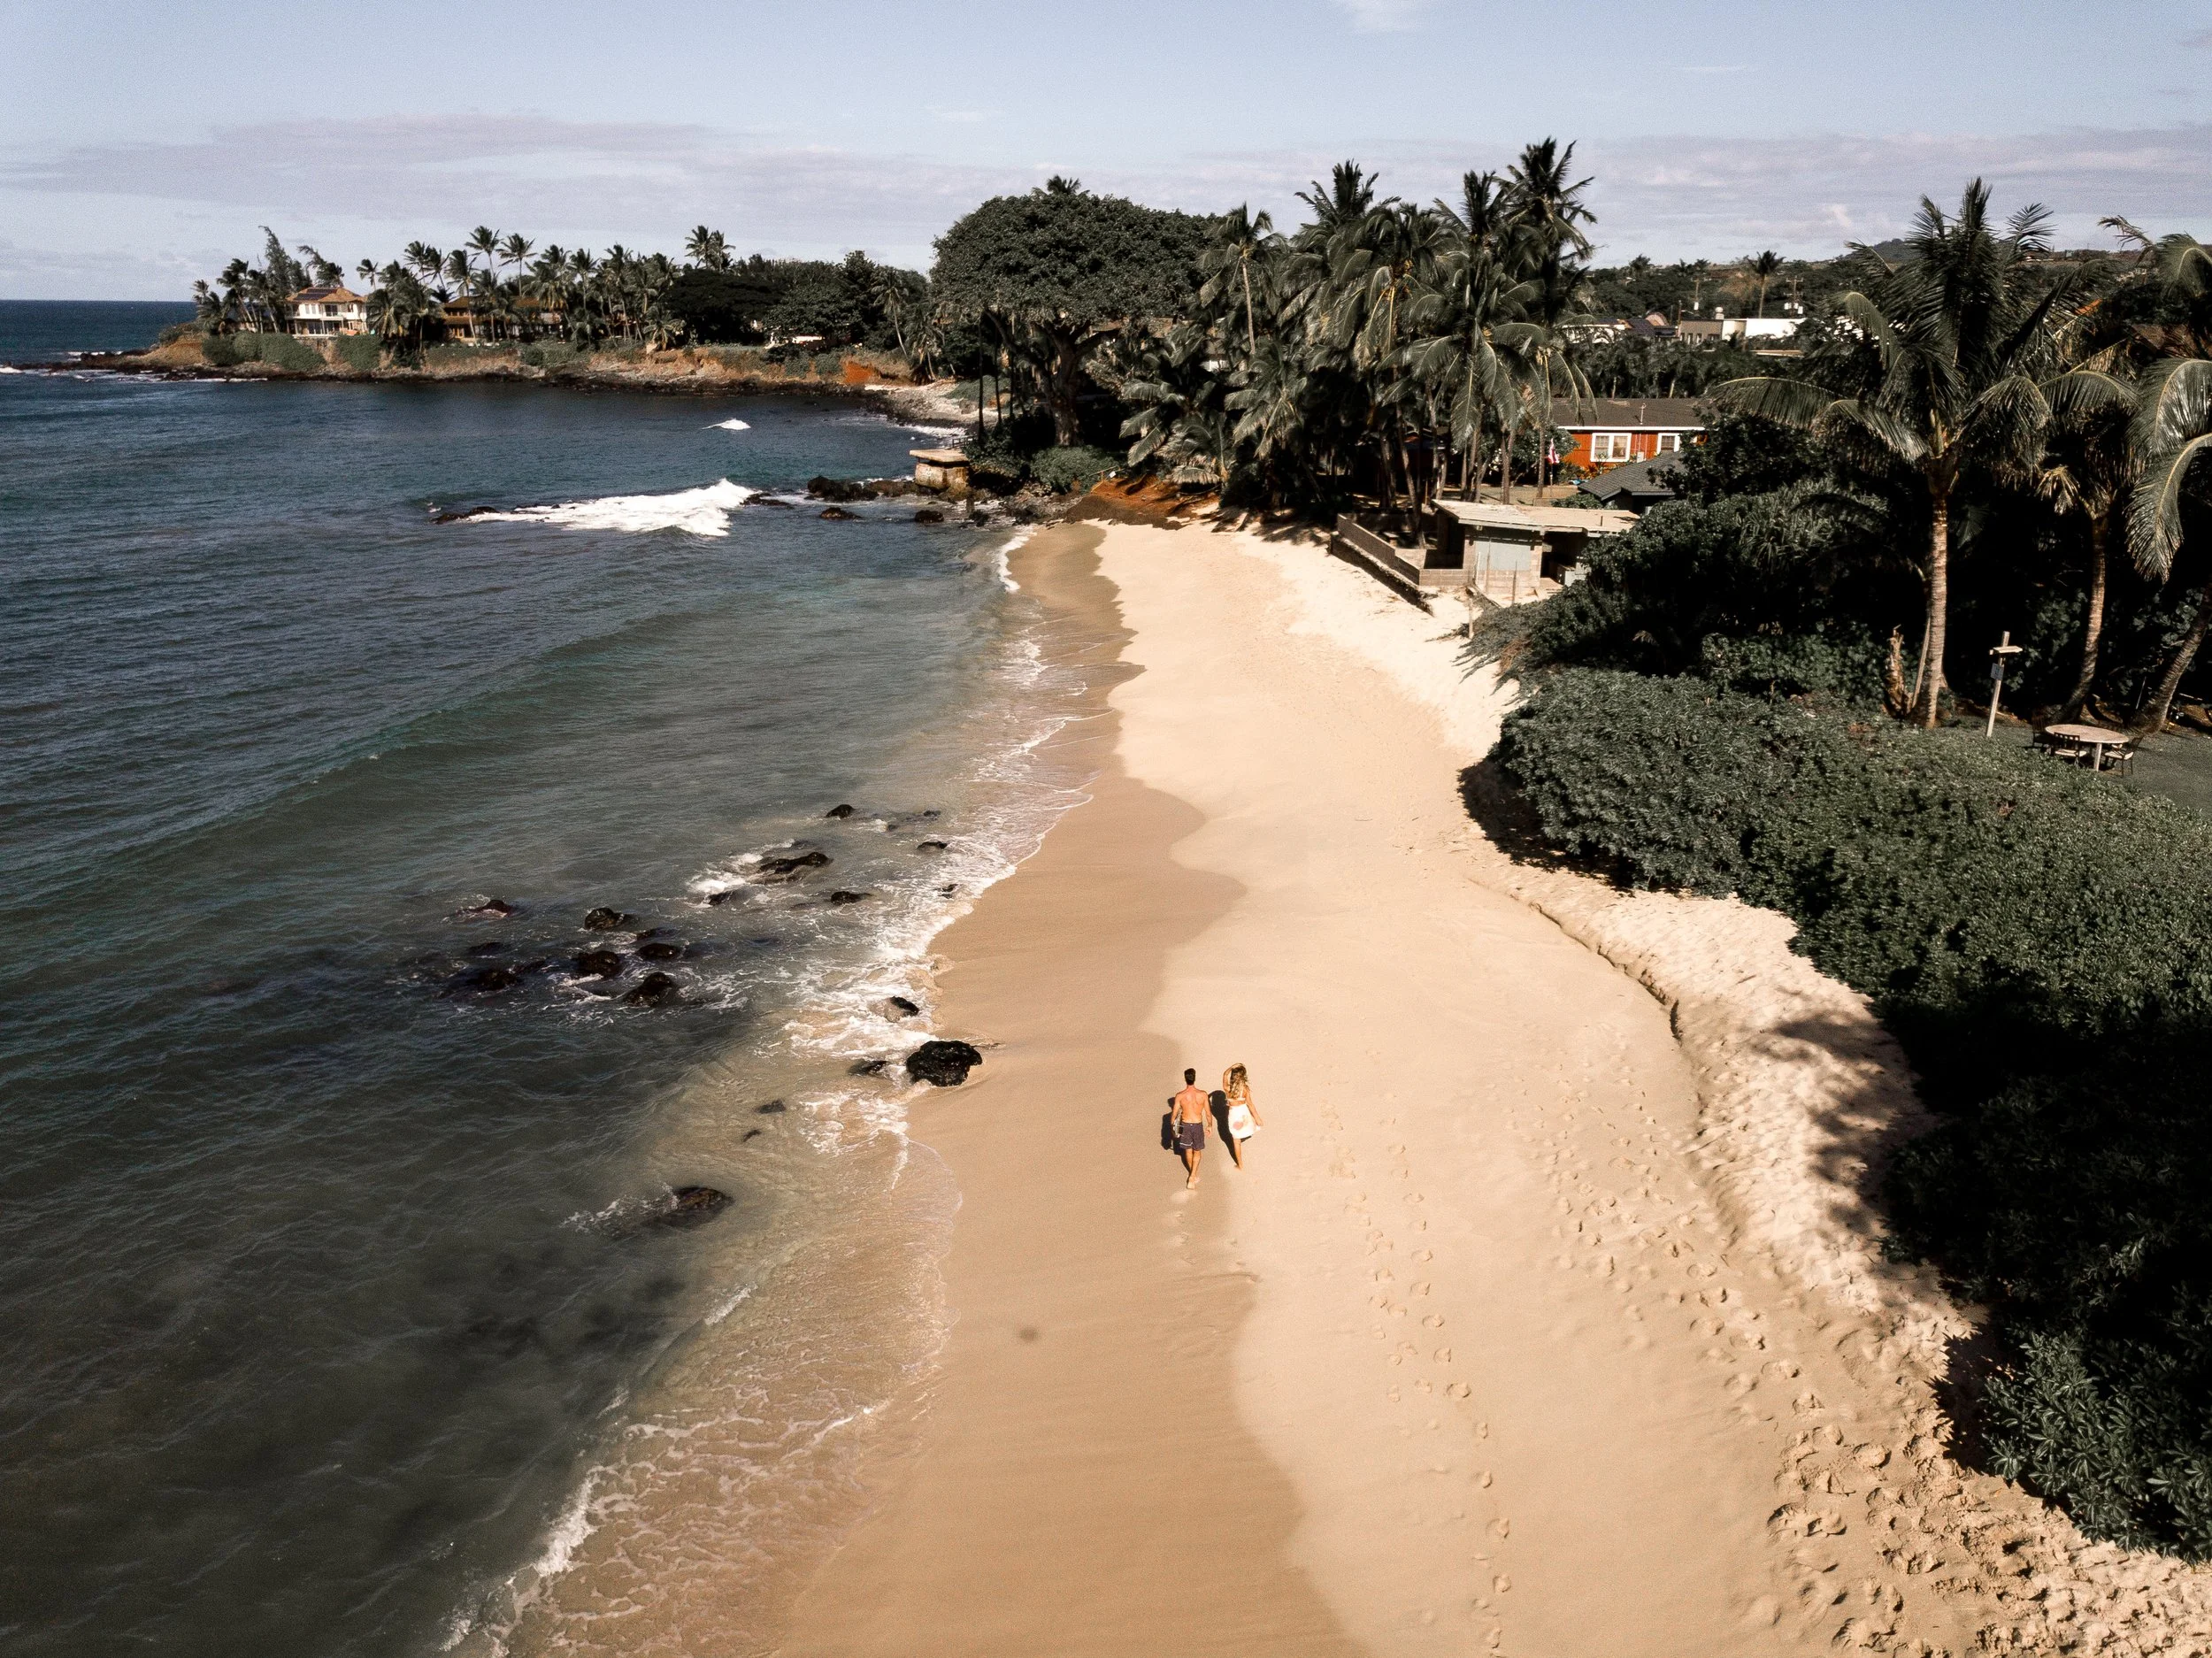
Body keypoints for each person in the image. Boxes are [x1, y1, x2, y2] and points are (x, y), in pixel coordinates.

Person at [1170, 1067, 1209, 1188]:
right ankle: (1192, 1176)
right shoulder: (1203, 1094)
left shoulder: (1180, 1096)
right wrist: (1210, 1125)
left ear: (1185, 1079)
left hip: (1186, 1124)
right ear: (1195, 1078)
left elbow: (1174, 1114)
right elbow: (1208, 1112)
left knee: (1188, 1150)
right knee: (1197, 1151)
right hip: (1197, 1124)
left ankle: (1193, 1174)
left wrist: (1172, 1128)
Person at [1222, 1063, 1263, 1168]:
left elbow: (1224, 1075)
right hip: (1243, 1113)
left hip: (1234, 1114)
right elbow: (1250, 1105)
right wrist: (1257, 1118)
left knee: (1236, 1141)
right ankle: (1245, 1133)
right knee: (1246, 1126)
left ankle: (1240, 1165)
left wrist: (1231, 1067)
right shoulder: (1245, 1089)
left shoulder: (1227, 1088)